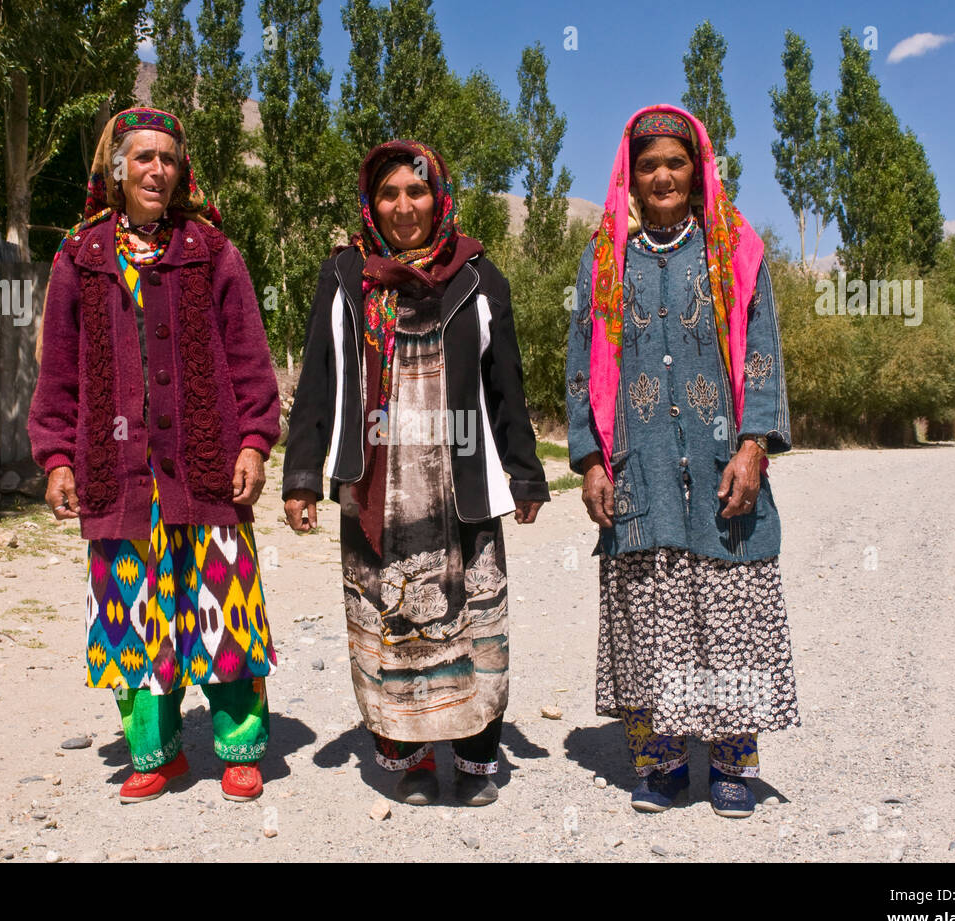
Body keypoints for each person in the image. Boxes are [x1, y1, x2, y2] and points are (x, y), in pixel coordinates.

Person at [282, 140, 549, 806]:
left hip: (460, 477)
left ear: (440, 199)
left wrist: (525, 474)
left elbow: (504, 385)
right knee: (390, 615)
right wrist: (301, 475)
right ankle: (412, 757)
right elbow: (317, 377)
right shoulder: (345, 275)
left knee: (471, 612)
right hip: (377, 477)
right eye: (390, 194)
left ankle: (479, 757)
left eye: (418, 192)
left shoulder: (478, 276)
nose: (404, 207)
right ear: (372, 204)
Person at [28, 107, 280, 804]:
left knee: (223, 609)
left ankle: (239, 745)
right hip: (119, 478)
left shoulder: (211, 251)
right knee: (132, 617)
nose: (157, 171)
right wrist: (55, 457)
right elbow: (59, 374)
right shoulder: (81, 258)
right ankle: (156, 752)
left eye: (168, 159)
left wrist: (255, 441)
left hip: (206, 470)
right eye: (142, 158)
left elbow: (250, 359)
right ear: (116, 168)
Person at [565, 106, 801, 819]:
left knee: (729, 601)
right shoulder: (603, 260)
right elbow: (581, 368)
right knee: (653, 605)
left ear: (697, 170)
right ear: (630, 177)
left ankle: (732, 756)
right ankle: (662, 758)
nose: (662, 175)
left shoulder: (736, 250)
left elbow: (762, 354)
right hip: (639, 469)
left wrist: (754, 445)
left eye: (675, 161)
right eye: (648, 164)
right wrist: (590, 460)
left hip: (723, 461)